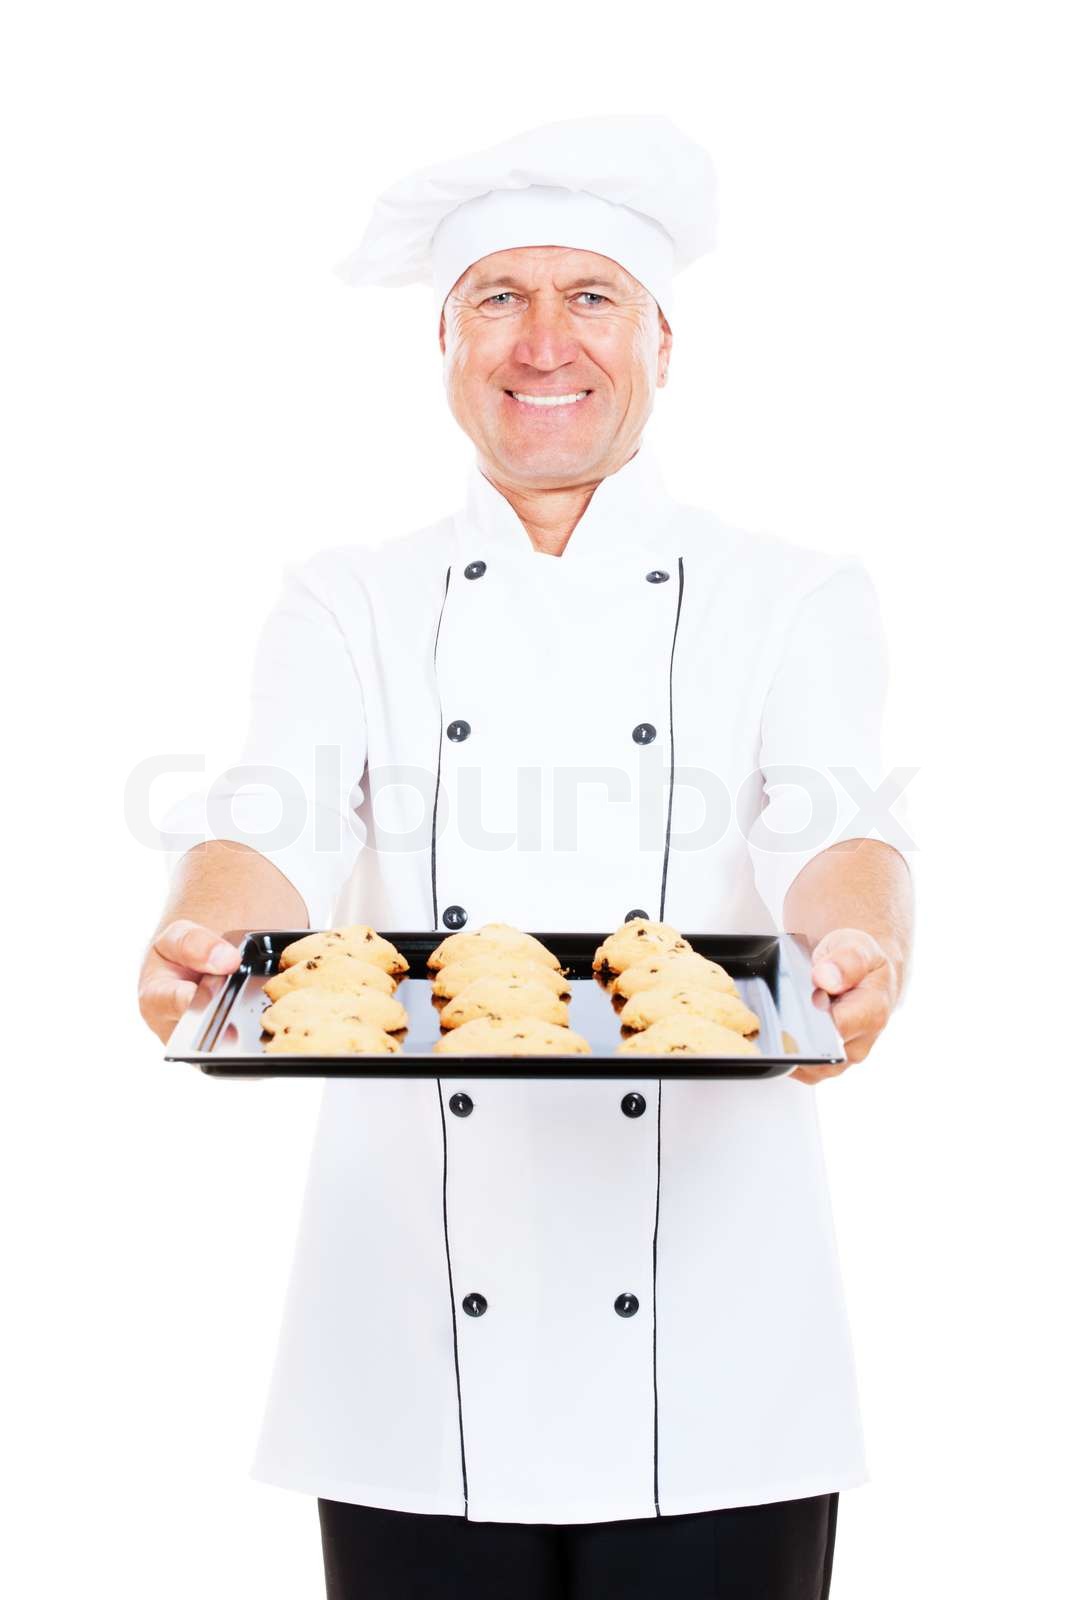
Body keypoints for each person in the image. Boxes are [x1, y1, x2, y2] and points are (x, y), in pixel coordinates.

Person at [138, 115, 915, 1598]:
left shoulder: (790, 592)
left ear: (662, 343)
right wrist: (200, 934)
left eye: (591, 297)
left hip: (714, 1333)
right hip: (416, 1338)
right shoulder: (346, 595)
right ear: (442, 342)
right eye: (498, 297)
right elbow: (271, 815)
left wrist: (860, 948)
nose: (543, 342)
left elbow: (834, 824)